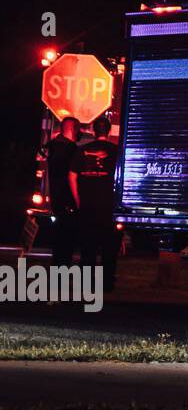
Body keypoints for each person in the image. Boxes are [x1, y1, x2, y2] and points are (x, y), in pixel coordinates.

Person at [70, 116, 121, 291]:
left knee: (88, 247)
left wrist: (78, 200)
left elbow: (72, 176)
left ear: (92, 131)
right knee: (109, 248)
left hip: (87, 206)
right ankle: (106, 283)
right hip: (109, 207)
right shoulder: (116, 151)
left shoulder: (81, 150)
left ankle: (86, 283)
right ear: (109, 131)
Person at [44, 117, 81, 267]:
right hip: (69, 201)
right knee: (67, 243)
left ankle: (56, 275)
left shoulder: (51, 147)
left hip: (56, 200)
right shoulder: (72, 150)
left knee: (58, 242)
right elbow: (72, 177)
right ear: (73, 129)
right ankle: (61, 277)